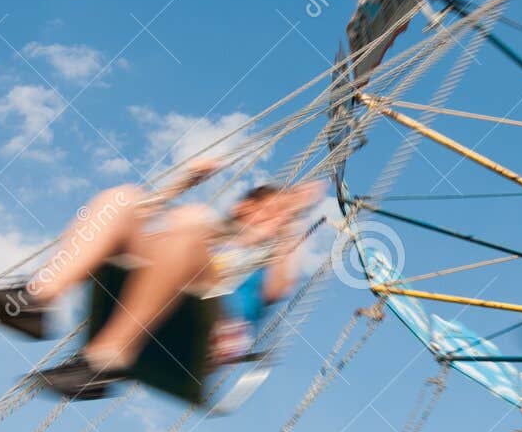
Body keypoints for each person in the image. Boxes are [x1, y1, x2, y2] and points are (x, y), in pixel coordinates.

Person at [22, 159, 322, 401]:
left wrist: (292, 220)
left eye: (283, 218)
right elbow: (143, 222)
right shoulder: (196, 239)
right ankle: (37, 298)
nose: (277, 220)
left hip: (211, 331)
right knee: (123, 199)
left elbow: (280, 287)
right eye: (271, 212)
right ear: (243, 208)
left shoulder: (270, 260)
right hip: (154, 298)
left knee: (191, 220)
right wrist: (184, 182)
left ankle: (107, 358)